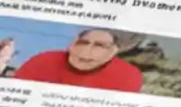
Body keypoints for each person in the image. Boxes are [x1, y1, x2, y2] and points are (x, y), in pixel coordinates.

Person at [13, 29, 143, 93]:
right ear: (72, 44)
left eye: (100, 45)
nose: (87, 51)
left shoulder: (127, 75)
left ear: (112, 52)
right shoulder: (44, 61)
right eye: (83, 43)